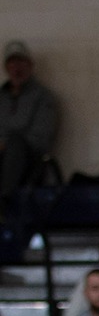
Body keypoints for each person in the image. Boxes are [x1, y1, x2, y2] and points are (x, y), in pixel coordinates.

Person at [0, 41, 59, 201]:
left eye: (21, 62)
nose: (16, 68)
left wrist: (7, 145)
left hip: (29, 161)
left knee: (15, 145)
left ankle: (3, 201)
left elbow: (42, 139)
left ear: (30, 66)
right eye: (12, 63)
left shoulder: (43, 97)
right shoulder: (2, 97)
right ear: (6, 67)